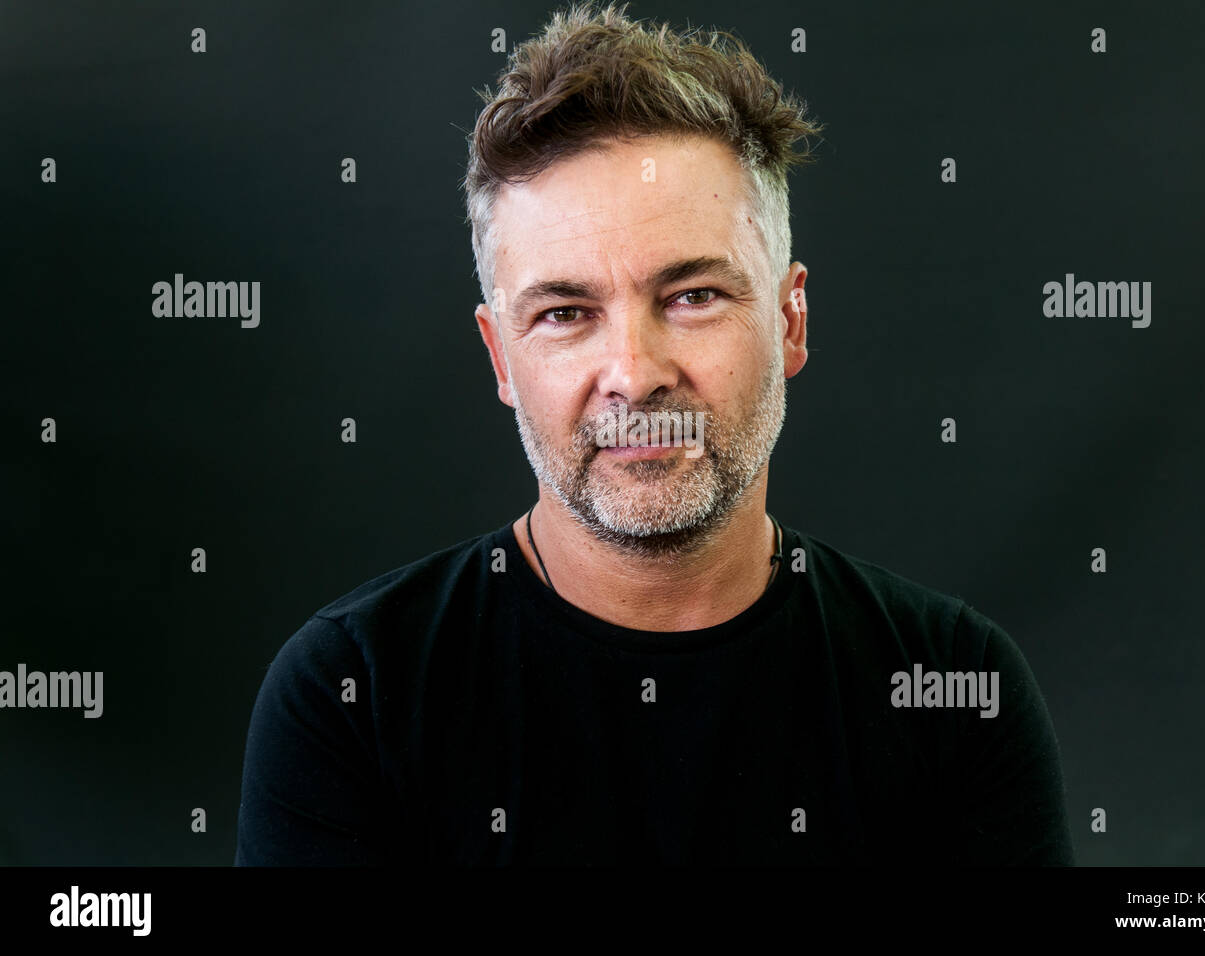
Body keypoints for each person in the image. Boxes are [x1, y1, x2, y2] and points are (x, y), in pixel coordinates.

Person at [235, 0, 1073, 865]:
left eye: (693, 296)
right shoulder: (353, 692)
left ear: (790, 322)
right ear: (500, 358)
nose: (634, 373)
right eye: (565, 313)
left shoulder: (953, 683)